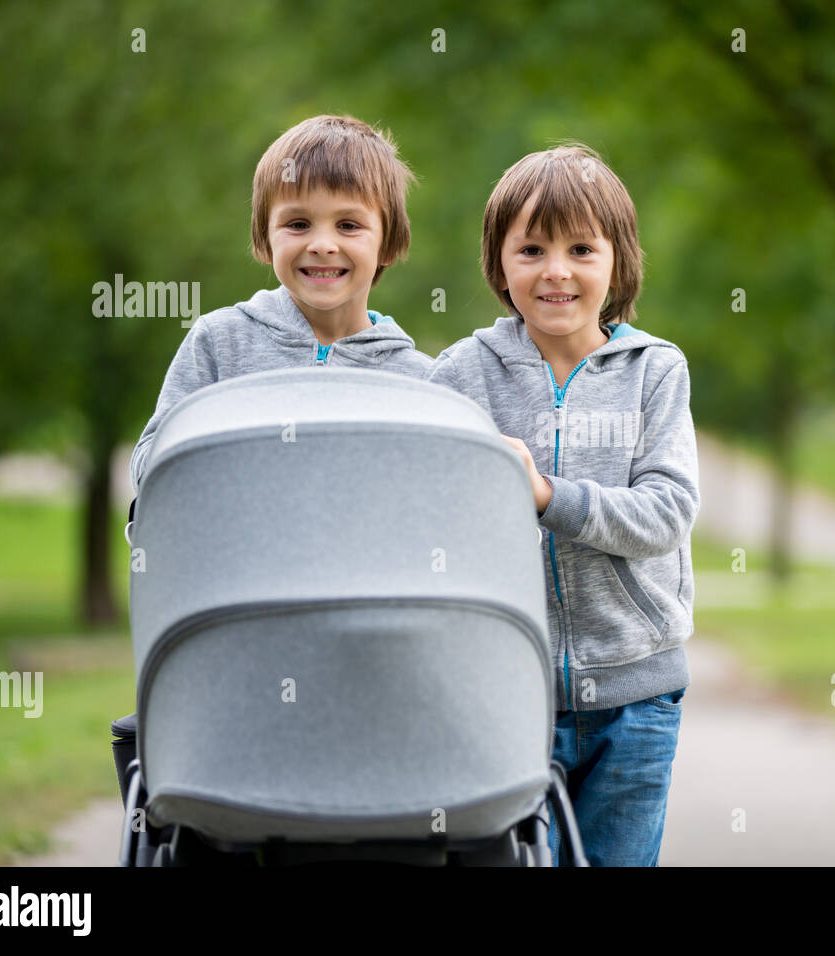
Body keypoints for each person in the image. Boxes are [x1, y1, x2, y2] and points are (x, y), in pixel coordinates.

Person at [428, 144, 700, 866]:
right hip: (507, 700)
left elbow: (666, 513)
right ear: (499, 264)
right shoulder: (460, 374)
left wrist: (548, 496)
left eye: (581, 247)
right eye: (532, 248)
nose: (556, 270)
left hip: (636, 698)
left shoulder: (654, 371)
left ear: (618, 262)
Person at [128, 114, 431, 492]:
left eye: (349, 225)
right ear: (265, 238)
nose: (322, 244)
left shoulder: (418, 382)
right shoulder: (221, 343)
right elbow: (148, 469)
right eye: (298, 224)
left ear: (387, 243)